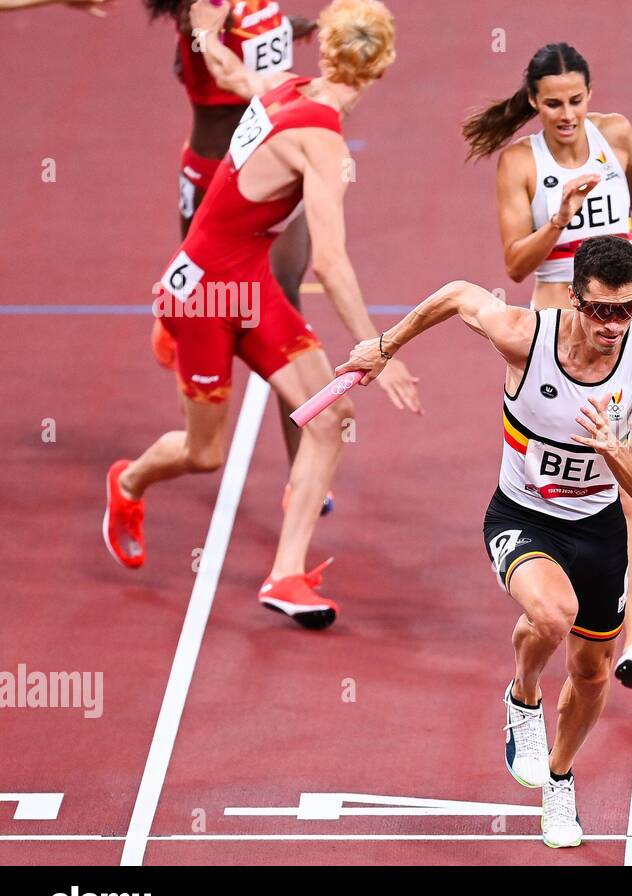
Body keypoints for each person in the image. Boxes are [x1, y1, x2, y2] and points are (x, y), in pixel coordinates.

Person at [334, 236, 632, 848]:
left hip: (598, 531)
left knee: (593, 672)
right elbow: (458, 295)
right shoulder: (526, 336)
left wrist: (612, 449)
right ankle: (522, 699)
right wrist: (384, 348)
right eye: (600, 310)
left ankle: (560, 782)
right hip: (521, 515)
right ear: (574, 300)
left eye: (627, 309)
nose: (613, 325)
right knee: (553, 613)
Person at [102, 0, 420, 631]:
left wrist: (201, 32)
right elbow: (330, 263)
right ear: (383, 68)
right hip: (201, 296)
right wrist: (377, 349)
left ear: (324, 51)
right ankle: (128, 485)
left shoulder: (282, 85)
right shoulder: (324, 143)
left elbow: (227, 71)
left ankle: (287, 574)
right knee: (203, 453)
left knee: (331, 418)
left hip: (248, 283)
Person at [462, 42, 632, 692]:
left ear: (589, 94)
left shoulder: (611, 132)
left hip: (619, 332)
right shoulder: (521, 162)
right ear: (533, 101)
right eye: (552, 103)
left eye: (575, 100)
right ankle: (545, 582)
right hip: (560, 340)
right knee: (568, 477)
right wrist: (560, 218)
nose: (566, 113)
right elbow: (515, 265)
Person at [144, 0, 334, 514]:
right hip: (213, 176)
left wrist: (298, 29)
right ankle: (177, 319)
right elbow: (216, 68)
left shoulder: (260, 5)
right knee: (217, 299)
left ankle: (303, 475)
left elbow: (261, 42)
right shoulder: (201, 9)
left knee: (287, 296)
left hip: (271, 169)